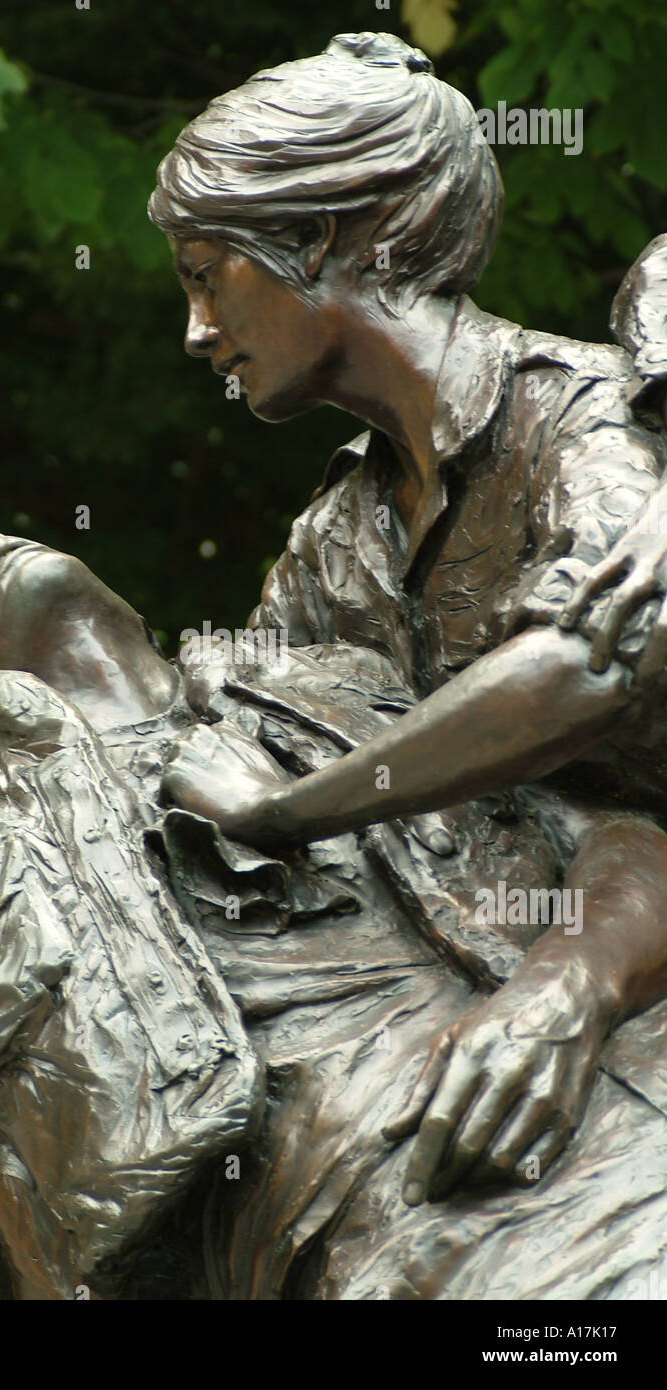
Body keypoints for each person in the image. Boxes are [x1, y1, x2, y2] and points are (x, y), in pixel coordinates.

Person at [0, 524, 667, 1300]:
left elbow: (617, 842)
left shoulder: (346, 686)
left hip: (627, 1080)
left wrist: (569, 987)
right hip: (431, 1223)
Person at [148, 30, 667, 1226]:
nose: (192, 332)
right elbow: (240, 728)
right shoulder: (336, 538)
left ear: (321, 239)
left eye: (203, 272)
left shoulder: (584, 427)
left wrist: (289, 806)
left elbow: (590, 671)